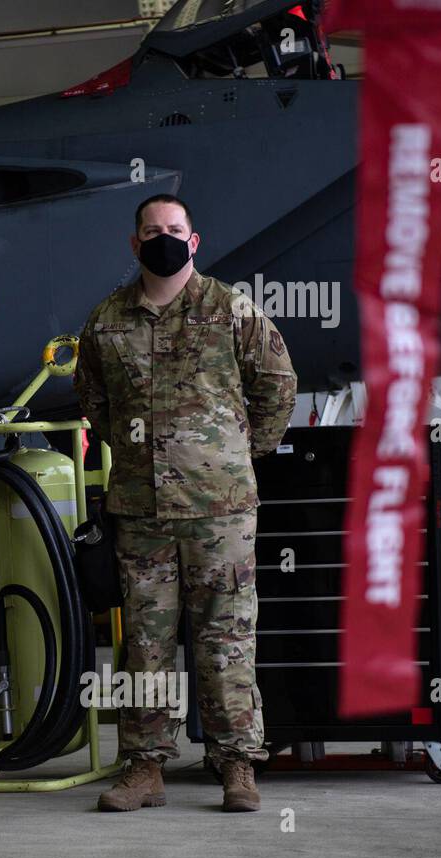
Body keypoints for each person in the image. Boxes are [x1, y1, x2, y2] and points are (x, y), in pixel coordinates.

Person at [73, 195, 296, 813]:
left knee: (226, 637)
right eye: (153, 231)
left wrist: (239, 456)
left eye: (175, 230)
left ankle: (236, 766)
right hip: (141, 512)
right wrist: (140, 453)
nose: (164, 238)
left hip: (219, 510)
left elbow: (278, 383)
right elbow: (92, 395)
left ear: (193, 242)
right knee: (144, 641)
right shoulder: (107, 320)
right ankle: (144, 767)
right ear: (135, 243)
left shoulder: (230, 309)